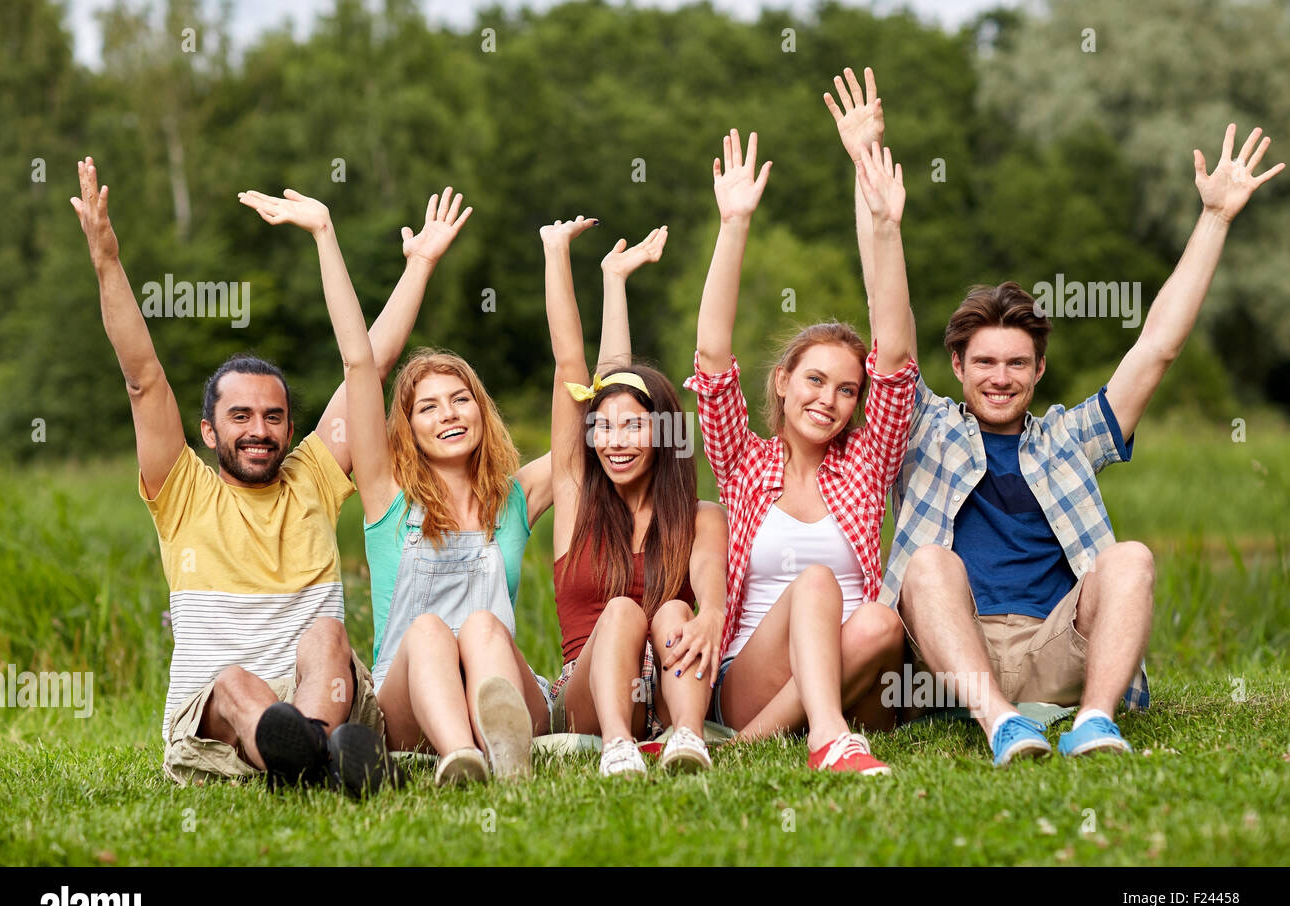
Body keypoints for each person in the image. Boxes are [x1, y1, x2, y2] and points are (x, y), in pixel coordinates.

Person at [874, 119, 1284, 764]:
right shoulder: (926, 427)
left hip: (1056, 648)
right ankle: (999, 724)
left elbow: (1156, 350)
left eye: (1016, 364)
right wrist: (883, 221)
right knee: (928, 564)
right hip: (951, 659)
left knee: (1131, 558)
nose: (1000, 378)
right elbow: (892, 345)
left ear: (1039, 370)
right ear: (957, 367)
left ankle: (1093, 721)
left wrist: (1215, 219)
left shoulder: (1069, 437)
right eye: (984, 363)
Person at [71, 157, 425, 794]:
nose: (258, 429)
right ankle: (321, 761)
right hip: (217, 722)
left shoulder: (313, 475)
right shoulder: (182, 490)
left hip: (322, 696)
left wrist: (418, 264)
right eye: (240, 416)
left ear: (290, 429)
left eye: (272, 416)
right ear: (209, 432)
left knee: (326, 633)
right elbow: (142, 376)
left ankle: (307, 753)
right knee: (235, 681)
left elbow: (370, 367)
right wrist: (106, 261)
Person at [687, 114, 918, 775]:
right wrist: (733, 226)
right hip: (753, 674)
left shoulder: (866, 464)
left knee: (880, 623)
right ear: (784, 382)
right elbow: (710, 355)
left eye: (848, 390)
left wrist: (885, 222)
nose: (830, 399)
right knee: (816, 582)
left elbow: (896, 354)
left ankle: (766, 742)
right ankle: (823, 739)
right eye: (815, 380)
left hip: (857, 678)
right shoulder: (744, 462)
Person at [541, 216, 729, 777]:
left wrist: (713, 614)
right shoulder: (578, 504)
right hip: (589, 697)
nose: (613, 441)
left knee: (674, 608)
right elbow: (574, 369)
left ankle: (688, 739)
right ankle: (618, 748)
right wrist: (558, 255)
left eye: (633, 427)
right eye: (603, 427)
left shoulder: (698, 517)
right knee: (624, 609)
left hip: (668, 688)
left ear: (666, 433)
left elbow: (711, 593)